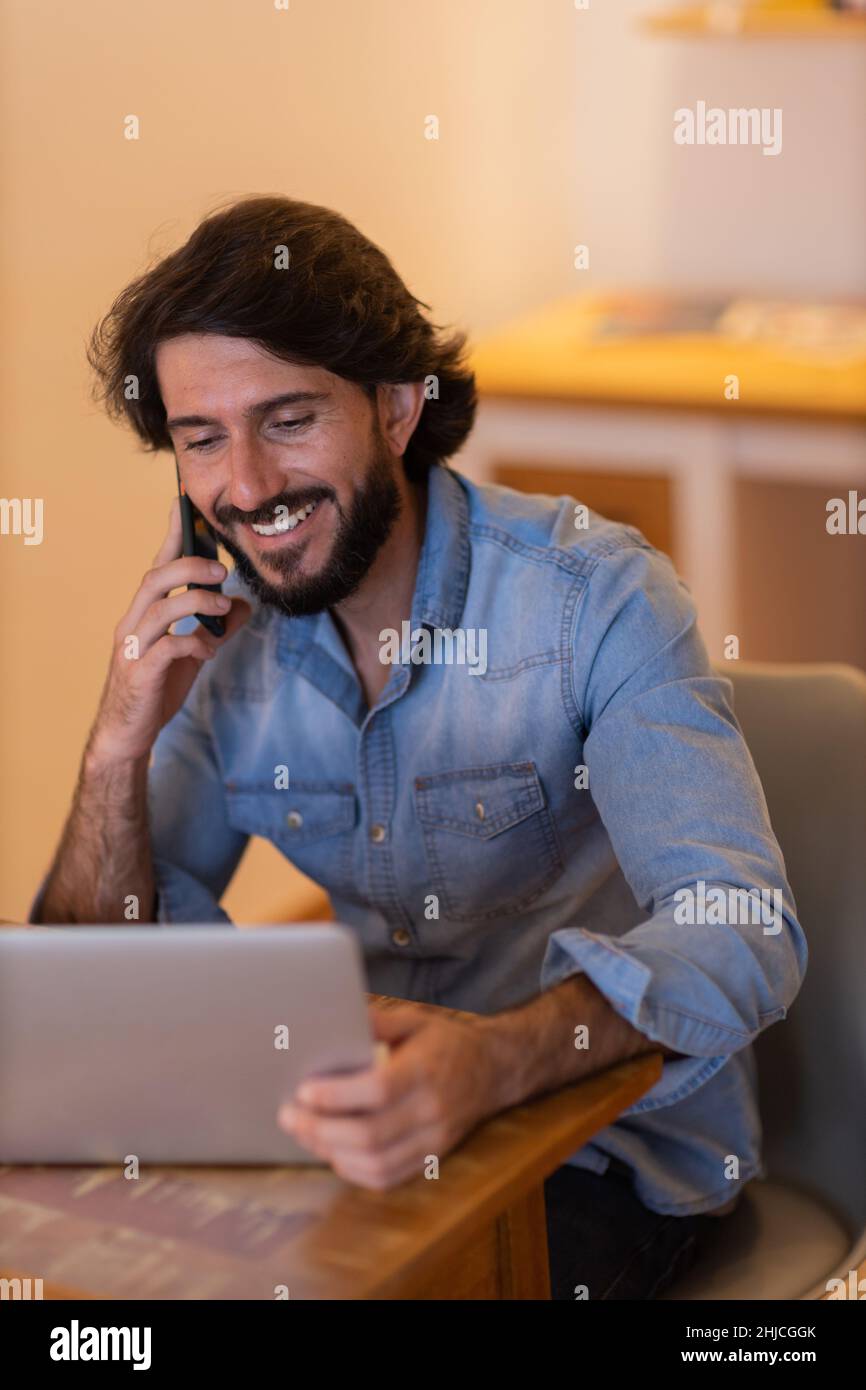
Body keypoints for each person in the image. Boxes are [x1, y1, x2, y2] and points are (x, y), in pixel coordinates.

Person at [32, 196, 807, 1299]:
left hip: (600, 1159)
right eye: (201, 438)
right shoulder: (223, 647)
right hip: (354, 1151)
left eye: (288, 418)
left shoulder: (595, 597)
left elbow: (743, 925)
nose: (245, 486)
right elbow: (89, 986)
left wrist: (494, 1060)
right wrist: (119, 740)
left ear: (395, 409)